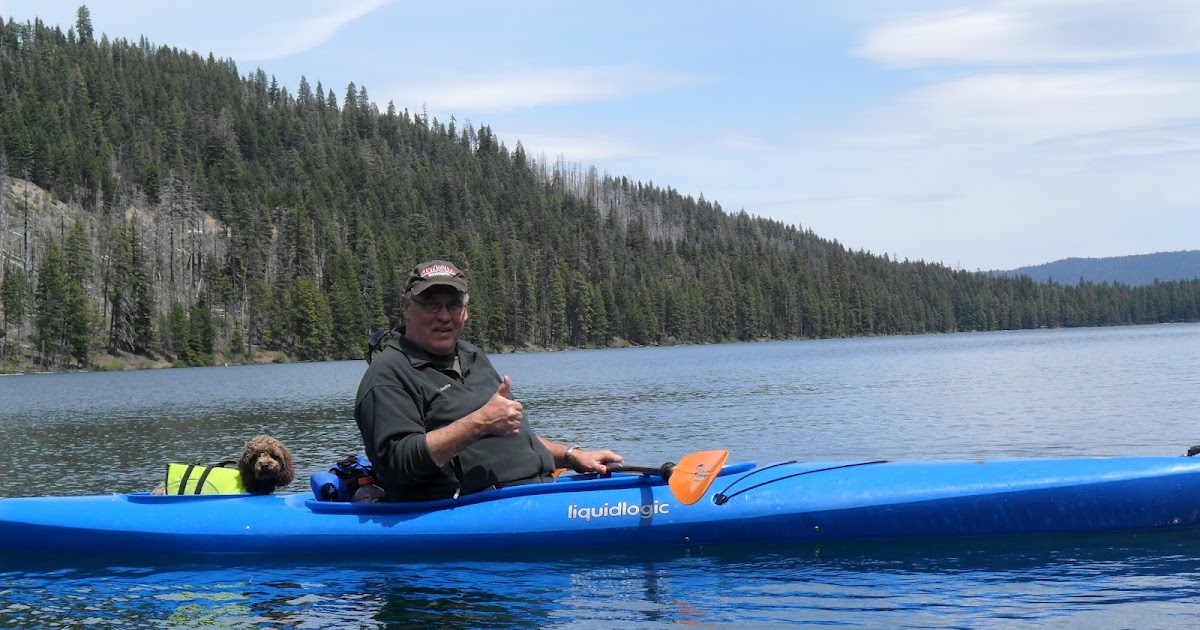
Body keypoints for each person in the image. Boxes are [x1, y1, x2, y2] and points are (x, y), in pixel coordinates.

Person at [354, 259, 624, 500]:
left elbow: (513, 438)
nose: (444, 316)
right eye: (432, 304)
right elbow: (397, 466)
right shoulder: (388, 375)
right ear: (406, 307)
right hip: (474, 511)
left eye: (454, 305)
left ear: (466, 310)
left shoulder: (472, 355)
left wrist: (571, 456)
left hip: (535, 490)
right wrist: (480, 422)